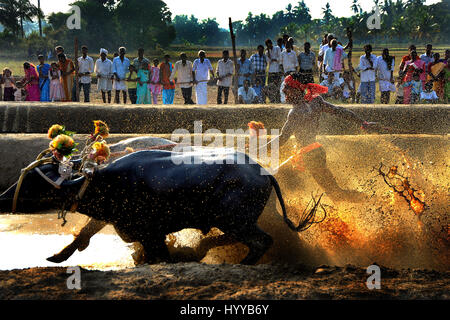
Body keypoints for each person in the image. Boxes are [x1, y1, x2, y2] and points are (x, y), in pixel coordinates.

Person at [262, 73, 378, 203]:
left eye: (287, 87)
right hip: (313, 152)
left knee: (336, 194)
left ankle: (373, 201)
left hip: (309, 155)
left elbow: (283, 138)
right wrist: (362, 122)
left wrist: (259, 149)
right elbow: (340, 110)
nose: (283, 90)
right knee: (334, 193)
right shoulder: (316, 101)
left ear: (297, 89)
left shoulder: (295, 112)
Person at [265, 38, 282, 103]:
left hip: (277, 70)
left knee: (278, 85)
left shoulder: (277, 48)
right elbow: (268, 61)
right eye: (267, 45)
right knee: (270, 85)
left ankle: (278, 99)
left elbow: (280, 57)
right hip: (270, 71)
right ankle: (272, 100)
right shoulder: (267, 52)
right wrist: (269, 52)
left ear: (271, 43)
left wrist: (275, 59)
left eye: (270, 44)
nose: (269, 46)